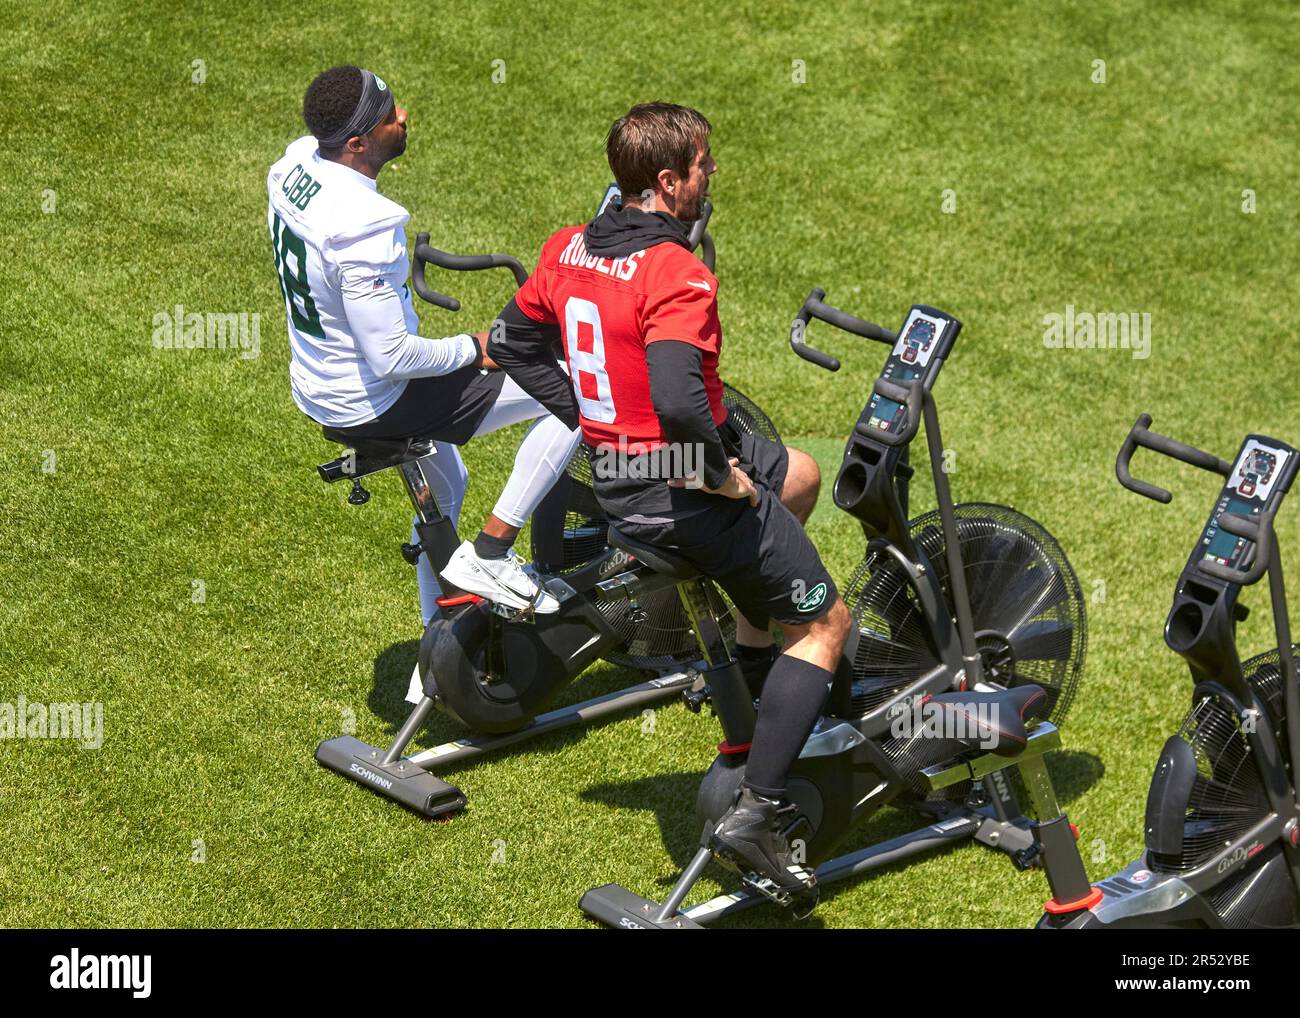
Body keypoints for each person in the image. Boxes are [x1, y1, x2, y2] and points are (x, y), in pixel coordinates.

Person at [488, 102, 852, 894]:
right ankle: (757, 814)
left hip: (629, 473)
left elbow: (510, 342)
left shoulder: (568, 248)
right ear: (666, 181)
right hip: (677, 485)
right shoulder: (675, 271)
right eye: (702, 165)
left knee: (796, 474)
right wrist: (719, 476)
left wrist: (590, 420)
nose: (711, 174)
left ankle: (755, 659)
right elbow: (682, 401)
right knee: (827, 625)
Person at [266, 65, 581, 637]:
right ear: (358, 144)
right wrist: (475, 348)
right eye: (390, 117)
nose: (404, 115)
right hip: (376, 398)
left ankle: (439, 646)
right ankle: (493, 548)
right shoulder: (364, 225)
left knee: (448, 485)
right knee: (577, 391)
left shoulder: (293, 165)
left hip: (316, 383)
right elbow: (393, 358)